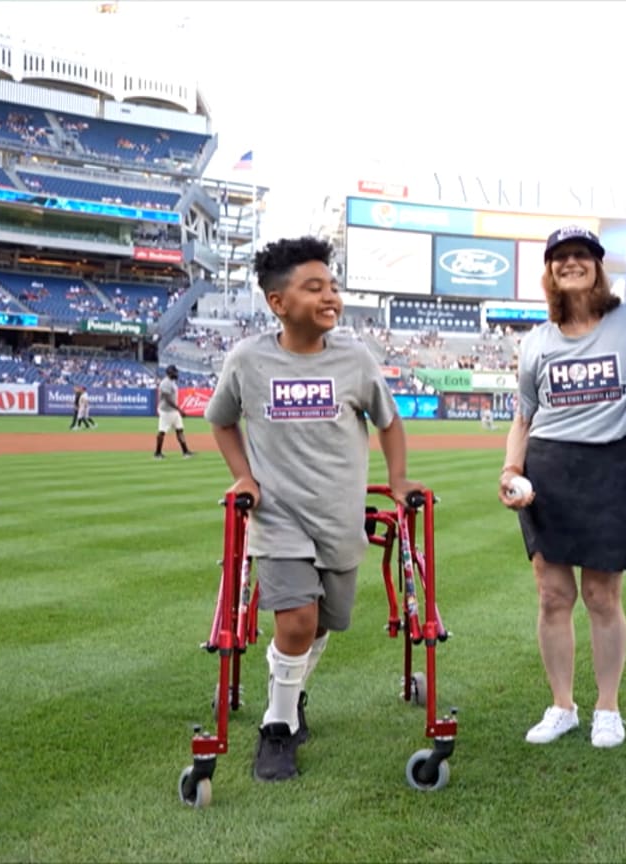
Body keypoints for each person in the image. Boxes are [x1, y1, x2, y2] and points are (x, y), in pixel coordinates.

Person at [206, 235, 420, 782]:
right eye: (314, 287)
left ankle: (291, 690)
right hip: (277, 518)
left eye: (332, 286)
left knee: (324, 621)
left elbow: (388, 422)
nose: (330, 296)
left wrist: (397, 481)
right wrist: (244, 477)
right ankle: (276, 729)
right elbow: (221, 418)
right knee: (296, 620)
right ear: (278, 303)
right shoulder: (249, 360)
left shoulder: (354, 357)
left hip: (339, 520)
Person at [501, 226, 626, 749]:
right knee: (553, 596)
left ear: (597, 265)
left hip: (607, 465)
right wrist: (509, 471)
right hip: (547, 470)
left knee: (603, 596)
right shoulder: (537, 341)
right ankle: (562, 705)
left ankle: (607, 707)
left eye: (581, 255)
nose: (571, 263)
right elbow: (524, 416)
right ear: (549, 271)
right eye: (560, 257)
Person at [154, 365, 193, 459]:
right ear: (169, 373)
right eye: (174, 372)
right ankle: (157, 453)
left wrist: (177, 410)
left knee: (180, 430)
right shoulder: (165, 383)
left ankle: (185, 452)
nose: (176, 373)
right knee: (162, 431)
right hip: (166, 411)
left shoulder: (172, 382)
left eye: (176, 372)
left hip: (173, 411)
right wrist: (179, 409)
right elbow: (167, 399)